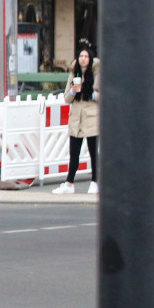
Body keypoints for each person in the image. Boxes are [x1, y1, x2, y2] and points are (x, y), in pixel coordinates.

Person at [53, 43, 99, 195]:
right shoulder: (74, 73)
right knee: (74, 152)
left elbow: (103, 94)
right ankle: (69, 183)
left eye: (86, 56)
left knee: (93, 151)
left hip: (91, 116)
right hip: (76, 117)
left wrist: (91, 94)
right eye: (81, 56)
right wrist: (73, 91)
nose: (83, 59)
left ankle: (95, 181)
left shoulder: (97, 73)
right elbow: (66, 98)